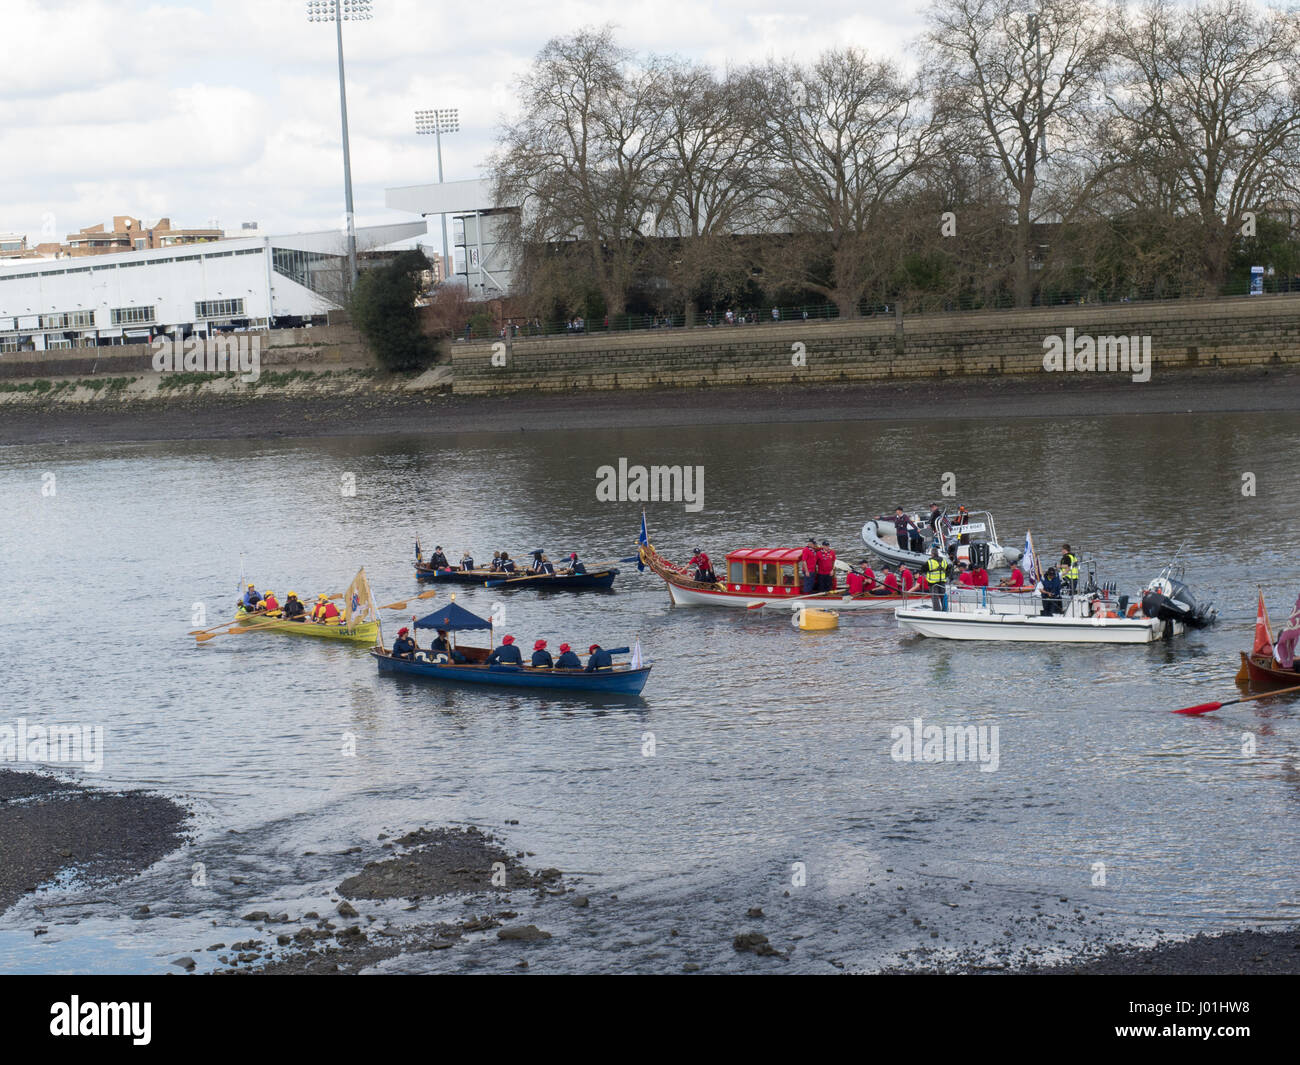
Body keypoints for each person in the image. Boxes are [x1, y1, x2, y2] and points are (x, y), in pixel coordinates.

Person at [925, 547, 953, 611]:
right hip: (942, 582)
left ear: (932, 554)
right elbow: (947, 569)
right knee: (943, 596)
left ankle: (937, 611)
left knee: (935, 597)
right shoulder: (944, 561)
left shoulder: (930, 562)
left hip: (933, 582)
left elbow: (923, 569)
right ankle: (945, 609)